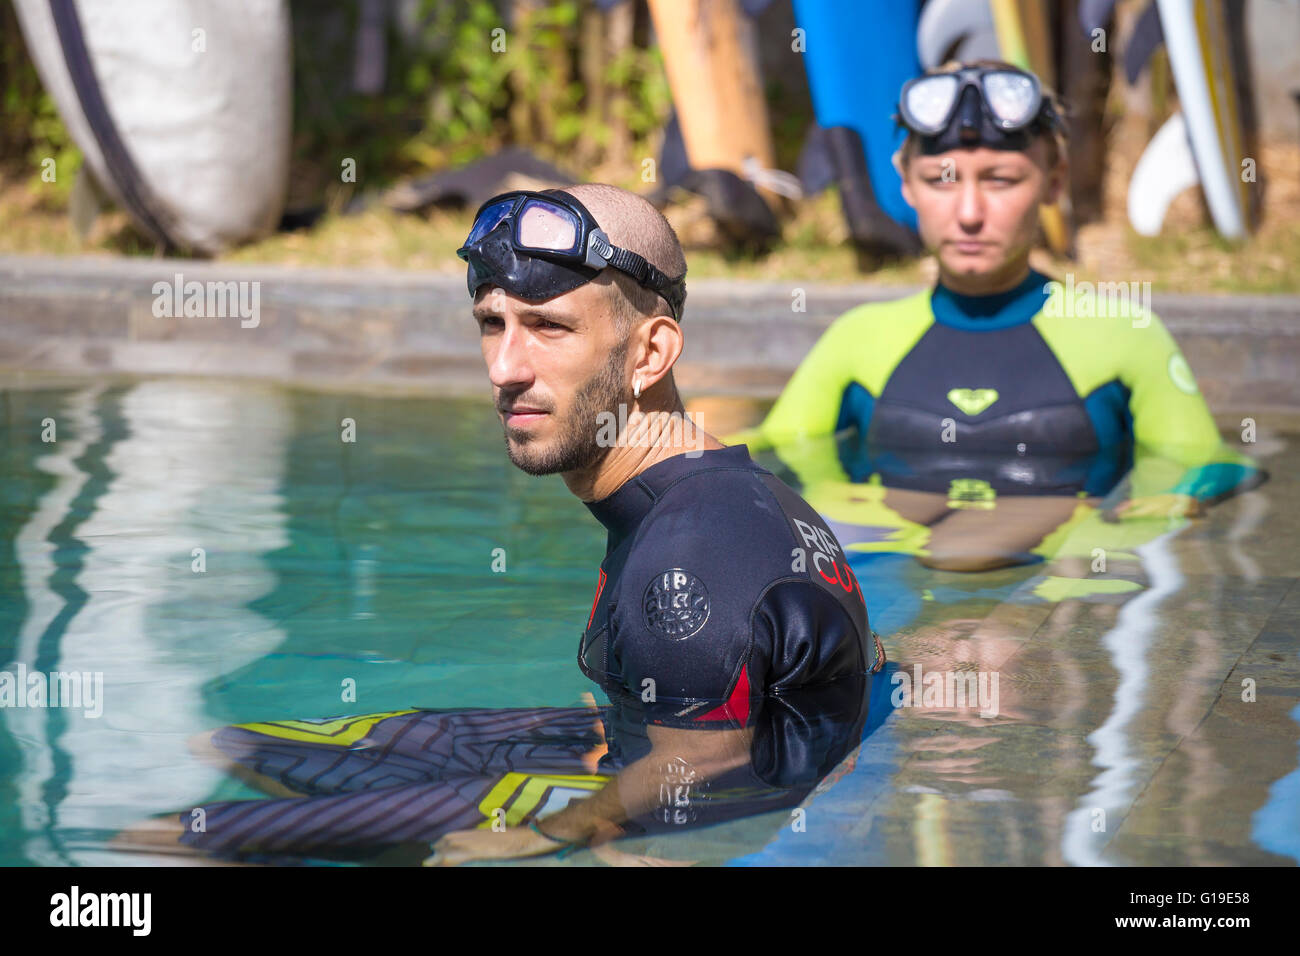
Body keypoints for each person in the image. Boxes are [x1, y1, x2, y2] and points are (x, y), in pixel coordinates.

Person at [113, 184, 887, 866]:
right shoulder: (723, 491)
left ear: (651, 352)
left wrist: (556, 833)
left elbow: (707, 758)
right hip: (641, 737)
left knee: (175, 842)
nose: (504, 367)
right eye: (492, 322)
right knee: (233, 744)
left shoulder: (687, 555)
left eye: (549, 328)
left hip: (712, 788)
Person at [727, 60, 1263, 572]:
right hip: (884, 569)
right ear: (905, 181)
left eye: (1001, 180)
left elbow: (1211, 465)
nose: (968, 214)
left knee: (964, 551)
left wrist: (1162, 504)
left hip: (1058, 580)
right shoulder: (858, 338)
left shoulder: (1126, 337)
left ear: (1054, 182)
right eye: (942, 179)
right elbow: (763, 455)